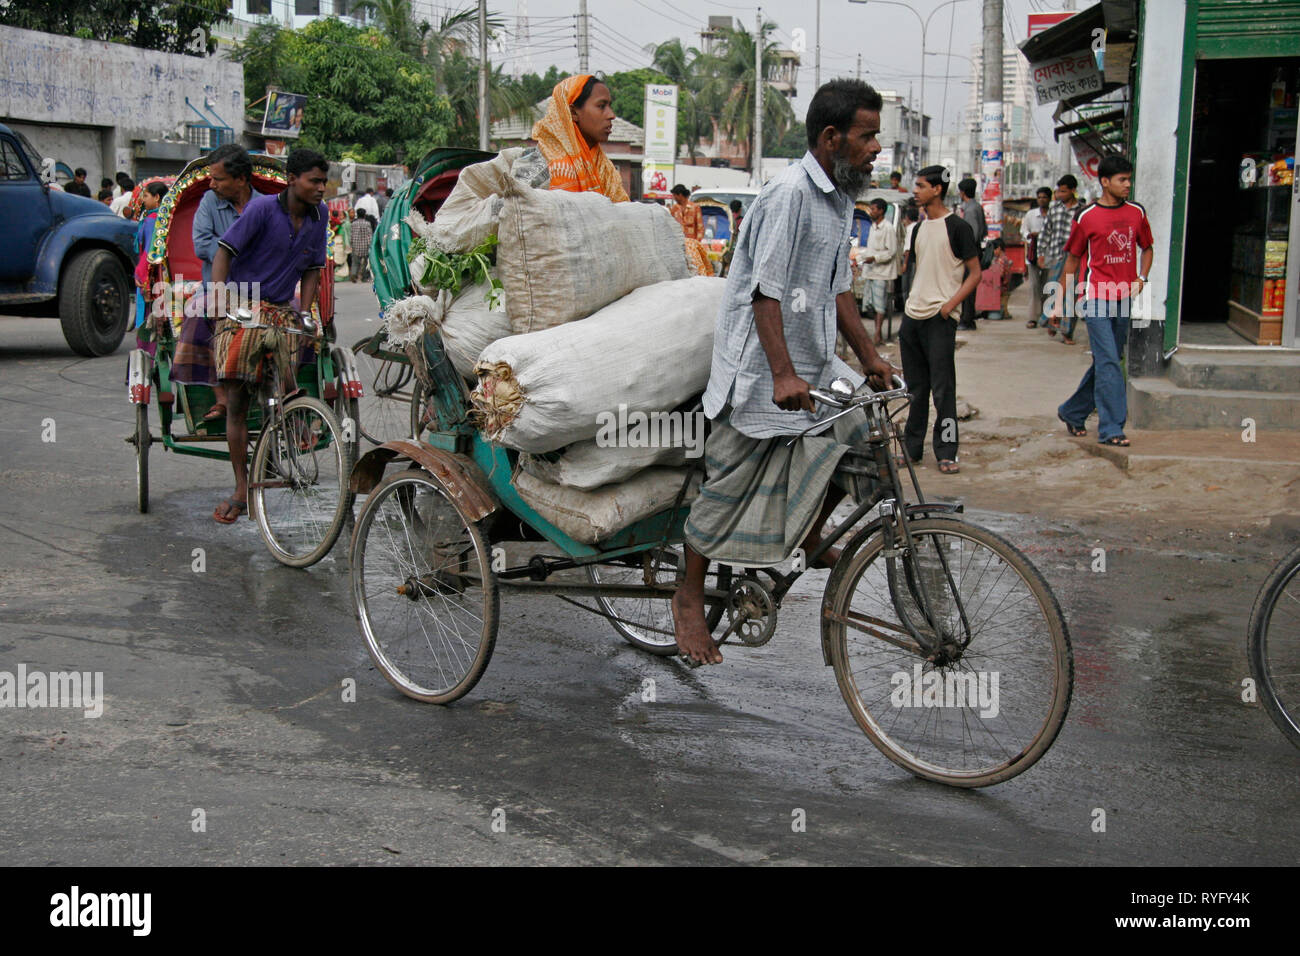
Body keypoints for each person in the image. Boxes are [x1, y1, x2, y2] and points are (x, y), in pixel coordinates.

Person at [671, 79, 896, 665]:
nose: (877, 147)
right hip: (759, 371)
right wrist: (781, 376)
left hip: (813, 365)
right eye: (867, 136)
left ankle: (810, 533)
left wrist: (869, 358)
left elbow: (838, 286)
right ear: (831, 137)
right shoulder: (791, 193)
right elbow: (765, 294)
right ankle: (688, 597)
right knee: (727, 486)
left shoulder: (841, 194)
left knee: (862, 440)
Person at [208, 149, 329, 525]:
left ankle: (289, 416)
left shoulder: (319, 215)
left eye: (325, 181)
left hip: (280, 307)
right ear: (292, 179)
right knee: (239, 402)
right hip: (243, 303)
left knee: (301, 350)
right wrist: (222, 299)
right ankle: (242, 488)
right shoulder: (261, 210)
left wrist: (306, 312)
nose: (321, 189)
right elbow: (223, 253)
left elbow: (312, 268)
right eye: (314, 181)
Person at [1053, 155, 1153, 448]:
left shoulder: (1137, 213)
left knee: (1108, 361)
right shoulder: (1086, 217)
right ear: (1105, 181)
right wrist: (1059, 303)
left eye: (1129, 179)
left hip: (1124, 298)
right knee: (1110, 361)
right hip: (1095, 297)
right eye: (1122, 180)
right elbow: (1071, 261)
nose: (1127, 185)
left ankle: (1072, 411)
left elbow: (1147, 248)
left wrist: (1142, 278)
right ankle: (1111, 428)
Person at [899, 165, 981, 475]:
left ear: (936, 189)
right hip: (913, 317)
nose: (915, 190)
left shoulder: (958, 227)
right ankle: (912, 449)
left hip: (939, 318)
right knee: (915, 389)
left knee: (943, 389)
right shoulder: (917, 229)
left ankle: (947, 452)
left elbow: (975, 274)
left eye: (920, 185)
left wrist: (949, 307)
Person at [178, 143, 256, 420]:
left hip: (257, 289)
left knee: (293, 318)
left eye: (218, 179)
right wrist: (238, 251)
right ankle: (221, 398)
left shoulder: (262, 206)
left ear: (242, 179)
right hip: (216, 287)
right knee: (198, 317)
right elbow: (201, 244)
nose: (211, 184)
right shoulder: (209, 203)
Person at [532, 74, 628, 201]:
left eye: (609, 106)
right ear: (573, 112)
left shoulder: (605, 170)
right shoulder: (543, 165)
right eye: (601, 106)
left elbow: (622, 213)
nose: (611, 115)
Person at [1039, 173, 1081, 342]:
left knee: (1071, 295)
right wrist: (1041, 254)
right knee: (1054, 291)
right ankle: (1051, 323)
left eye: (1064, 191)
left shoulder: (1081, 211)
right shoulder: (1054, 210)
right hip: (1056, 257)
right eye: (1059, 192)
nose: (1060, 195)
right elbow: (1045, 233)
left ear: (1073, 191)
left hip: (1075, 258)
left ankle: (1067, 332)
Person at [132, 181, 168, 348]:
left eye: (146, 196)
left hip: (150, 274)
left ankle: (149, 354)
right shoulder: (165, 217)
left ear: (157, 197)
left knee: (149, 317)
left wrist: (141, 275)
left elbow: (148, 252)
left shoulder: (152, 220)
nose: (143, 200)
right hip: (161, 273)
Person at [859, 197, 898, 345]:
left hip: (881, 272)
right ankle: (876, 333)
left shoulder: (887, 228)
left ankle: (877, 334)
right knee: (870, 303)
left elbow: (891, 251)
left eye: (874, 209)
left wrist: (874, 258)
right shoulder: (873, 226)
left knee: (879, 304)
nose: (871, 212)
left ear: (881, 211)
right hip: (870, 271)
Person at [955, 177, 986, 331]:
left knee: (967, 286)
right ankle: (968, 318)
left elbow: (971, 234)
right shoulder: (977, 207)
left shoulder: (970, 209)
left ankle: (966, 319)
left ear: (963, 192)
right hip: (975, 249)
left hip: (970, 252)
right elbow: (983, 230)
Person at [667, 184, 714, 276]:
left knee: (695, 269)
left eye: (675, 196)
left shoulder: (695, 207)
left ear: (680, 195)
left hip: (692, 245)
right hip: (678, 245)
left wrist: (696, 243)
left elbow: (700, 227)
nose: (674, 198)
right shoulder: (674, 209)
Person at [1023, 186, 1052, 328]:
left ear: (1049, 199)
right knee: (1034, 286)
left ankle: (1045, 316)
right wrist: (1031, 235)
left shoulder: (1053, 215)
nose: (1041, 200)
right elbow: (1023, 231)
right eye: (1039, 197)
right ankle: (1033, 317)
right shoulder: (1030, 215)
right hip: (1033, 254)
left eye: (1044, 197)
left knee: (1047, 285)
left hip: (1049, 254)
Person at [350, 211, 374, 283]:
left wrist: (351, 243)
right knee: (366, 263)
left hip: (356, 245)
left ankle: (354, 274)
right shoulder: (367, 223)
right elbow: (369, 235)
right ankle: (364, 277)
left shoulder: (353, 224)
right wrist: (371, 244)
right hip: (365, 246)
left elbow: (351, 234)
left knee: (355, 262)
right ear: (364, 215)